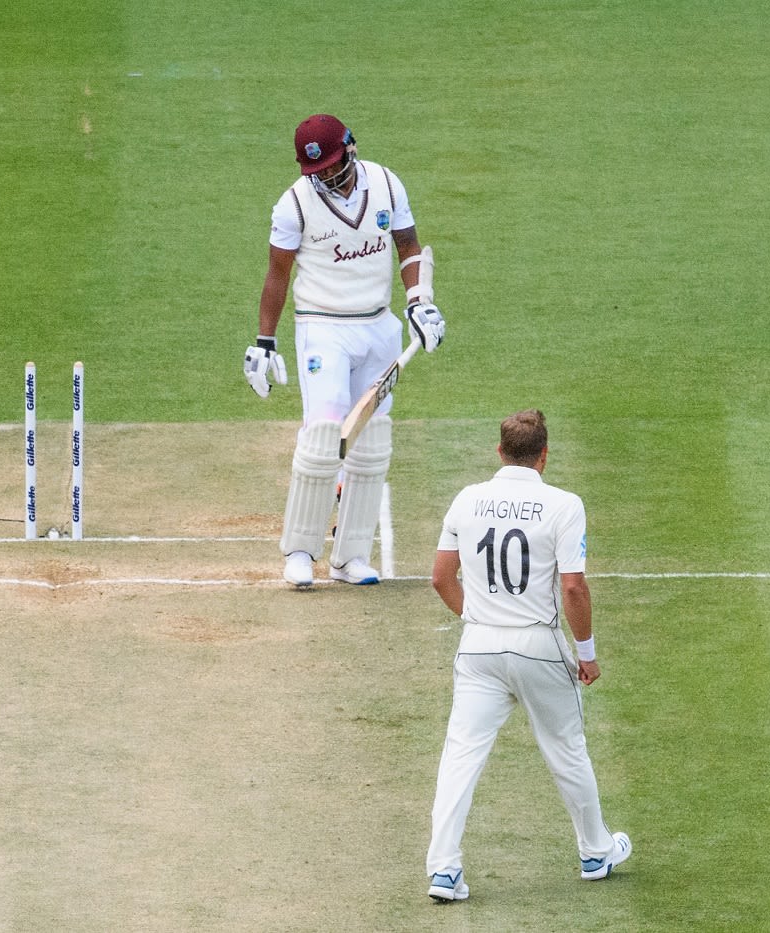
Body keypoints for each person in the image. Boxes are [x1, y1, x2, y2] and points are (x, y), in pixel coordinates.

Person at [425, 409, 630, 903]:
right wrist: (588, 653)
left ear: (500, 452)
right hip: (538, 644)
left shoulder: (467, 499)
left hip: (478, 648)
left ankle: (444, 871)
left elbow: (440, 578)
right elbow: (574, 588)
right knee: (566, 748)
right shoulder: (564, 504)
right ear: (543, 455)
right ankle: (595, 852)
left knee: (461, 754)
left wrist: (478, 621)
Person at [245, 113, 445, 588]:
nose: (329, 180)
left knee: (371, 441)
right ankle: (300, 551)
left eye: (334, 169)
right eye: (319, 175)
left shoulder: (387, 184)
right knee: (323, 435)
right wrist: (264, 341)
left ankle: (349, 557)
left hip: (378, 325)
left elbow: (409, 246)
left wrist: (420, 304)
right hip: (322, 327)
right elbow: (278, 274)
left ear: (352, 149)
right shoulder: (292, 205)